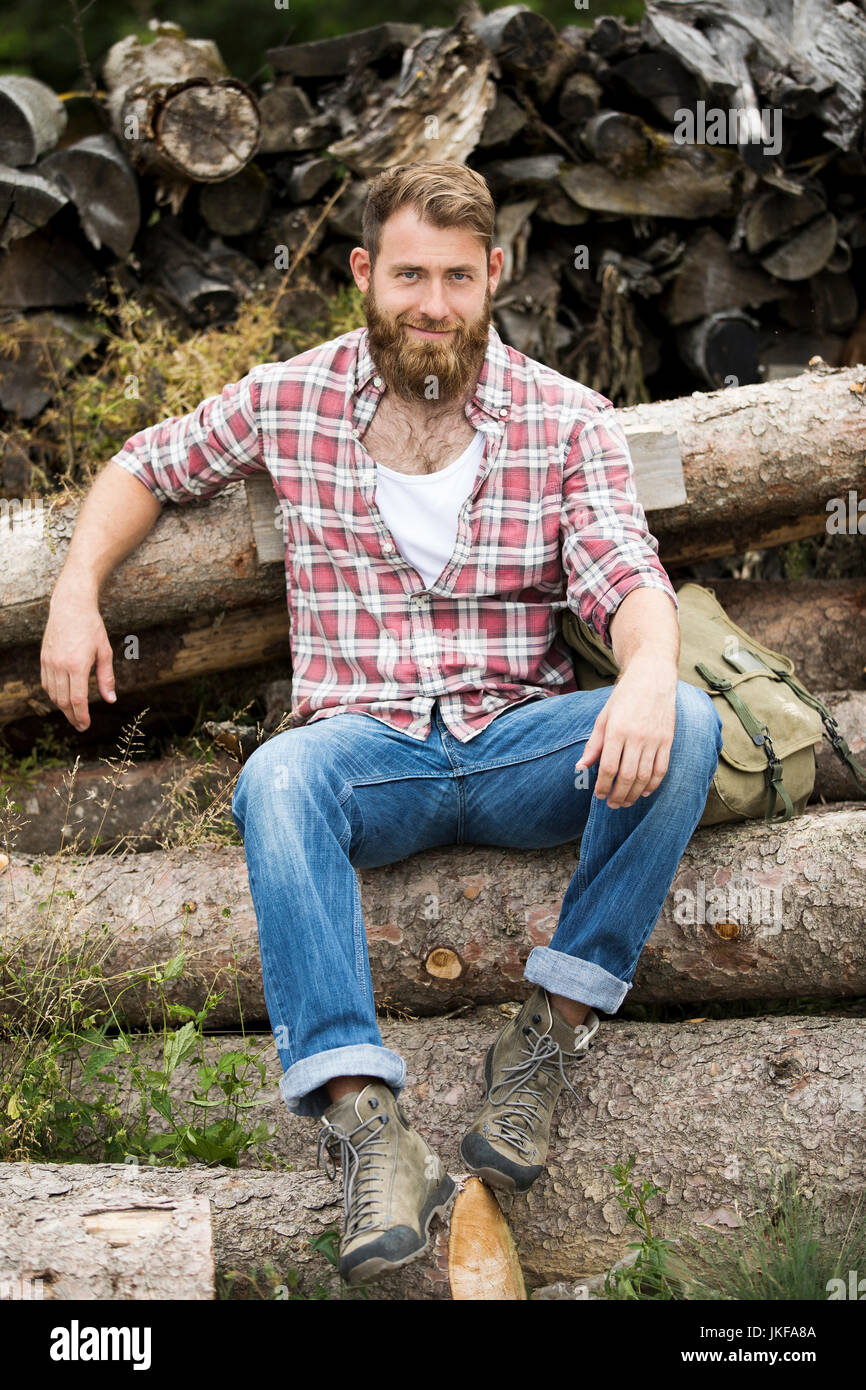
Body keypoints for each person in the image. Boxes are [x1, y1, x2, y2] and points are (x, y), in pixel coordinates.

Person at [40, 160, 723, 1289]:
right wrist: (75, 594)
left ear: (492, 276)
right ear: (364, 274)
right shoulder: (288, 397)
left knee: (687, 722)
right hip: (366, 756)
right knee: (276, 776)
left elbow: (622, 571)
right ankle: (366, 1124)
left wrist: (650, 668)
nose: (433, 304)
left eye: (458, 277)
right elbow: (143, 464)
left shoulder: (565, 419)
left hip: (519, 745)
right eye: (409, 274)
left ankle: (545, 1038)